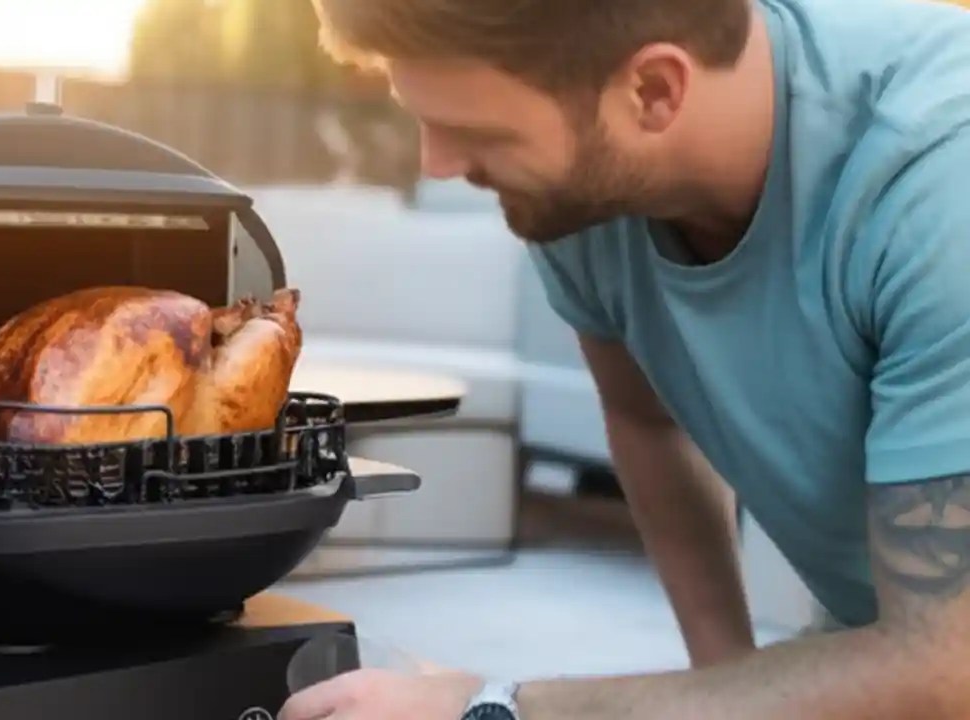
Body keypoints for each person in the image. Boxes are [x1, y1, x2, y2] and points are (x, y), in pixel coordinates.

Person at [279, 0, 970, 717]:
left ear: (655, 91)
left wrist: (493, 707)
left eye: (474, 131)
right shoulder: (581, 188)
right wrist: (725, 679)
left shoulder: (937, 185)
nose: (439, 165)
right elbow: (646, 420)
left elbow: (944, 671)